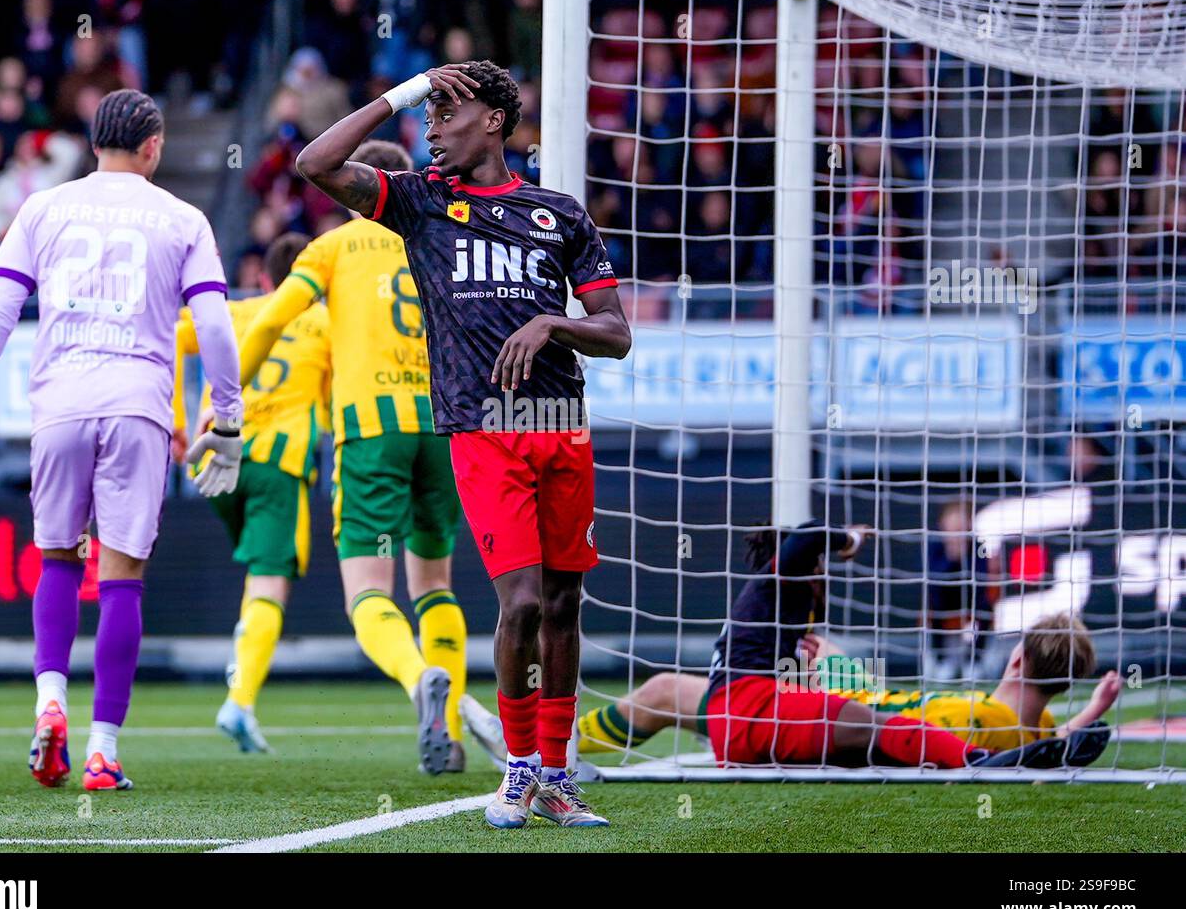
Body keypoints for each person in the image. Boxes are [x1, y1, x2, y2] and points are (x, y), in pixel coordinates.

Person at [290, 61, 631, 827]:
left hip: (560, 425)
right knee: (521, 604)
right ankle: (516, 770)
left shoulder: (558, 213)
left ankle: (557, 772)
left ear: (494, 121)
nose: (433, 127)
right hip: (483, 431)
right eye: (429, 114)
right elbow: (315, 163)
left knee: (567, 602)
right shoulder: (420, 202)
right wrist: (404, 91)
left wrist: (551, 323)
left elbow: (616, 333)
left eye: (448, 112)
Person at [0, 89, 244, 791]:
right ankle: (103, 751)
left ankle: (49, 706)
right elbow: (218, 328)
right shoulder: (182, 216)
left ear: (90, 141)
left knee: (58, 560)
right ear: (155, 147)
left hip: (60, 405)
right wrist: (227, 420)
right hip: (138, 406)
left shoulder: (43, 206)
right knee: (123, 578)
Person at [239, 141, 469, 775]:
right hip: (442, 429)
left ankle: (419, 676)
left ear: (348, 189)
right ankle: (448, 736)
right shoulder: (443, 237)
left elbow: (268, 324)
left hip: (370, 432)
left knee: (368, 593)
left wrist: (227, 409)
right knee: (435, 585)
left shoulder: (334, 248)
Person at [468, 612, 1118, 763]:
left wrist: (816, 680)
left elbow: (894, 728)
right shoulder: (1024, 727)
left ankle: (543, 750)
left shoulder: (976, 712)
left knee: (665, 689)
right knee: (670, 693)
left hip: (819, 717)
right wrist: (1089, 713)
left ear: (1015, 662)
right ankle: (558, 746)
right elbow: (1039, 739)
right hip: (839, 704)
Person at [172, 231, 329, 754]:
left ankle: (242, 668)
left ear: (264, 279)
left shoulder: (235, 313)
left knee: (254, 578)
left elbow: (173, 335)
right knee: (270, 582)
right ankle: (239, 701)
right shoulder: (324, 321)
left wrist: (176, 418)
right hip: (277, 464)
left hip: (215, 460)